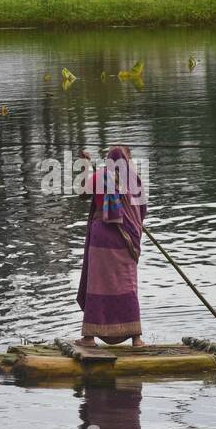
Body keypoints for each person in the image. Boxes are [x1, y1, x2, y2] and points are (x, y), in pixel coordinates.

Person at [76, 145, 146, 347]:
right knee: (127, 285)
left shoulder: (100, 176)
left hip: (102, 239)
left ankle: (89, 337)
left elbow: (82, 193)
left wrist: (84, 167)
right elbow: (141, 211)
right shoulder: (135, 181)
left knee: (97, 285)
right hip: (126, 240)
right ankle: (136, 338)